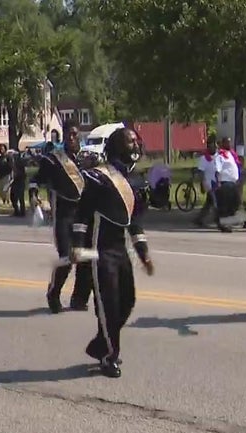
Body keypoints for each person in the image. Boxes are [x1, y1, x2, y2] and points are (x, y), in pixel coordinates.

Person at [73, 127, 154, 378]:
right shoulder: (99, 177)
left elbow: (134, 222)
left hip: (121, 251)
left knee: (127, 302)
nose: (135, 146)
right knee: (108, 305)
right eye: (130, 142)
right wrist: (77, 245)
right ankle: (109, 355)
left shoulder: (131, 180)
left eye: (136, 142)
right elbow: (82, 215)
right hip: (100, 251)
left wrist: (143, 253)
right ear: (118, 145)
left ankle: (101, 343)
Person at [46, 122, 94, 313]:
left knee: (86, 259)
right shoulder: (54, 160)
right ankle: (54, 293)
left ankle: (79, 298)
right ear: (63, 137)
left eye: (75, 134)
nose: (71, 138)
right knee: (66, 258)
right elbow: (38, 179)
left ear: (80, 135)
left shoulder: (87, 159)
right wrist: (34, 195)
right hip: (64, 215)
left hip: (83, 216)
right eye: (68, 135)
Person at [213, 137, 242, 232]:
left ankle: (226, 221)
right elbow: (217, 170)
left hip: (233, 183)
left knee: (236, 203)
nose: (229, 144)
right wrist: (218, 183)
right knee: (224, 205)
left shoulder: (230, 154)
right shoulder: (219, 156)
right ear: (222, 143)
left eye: (230, 142)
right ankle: (223, 224)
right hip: (224, 183)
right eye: (227, 143)